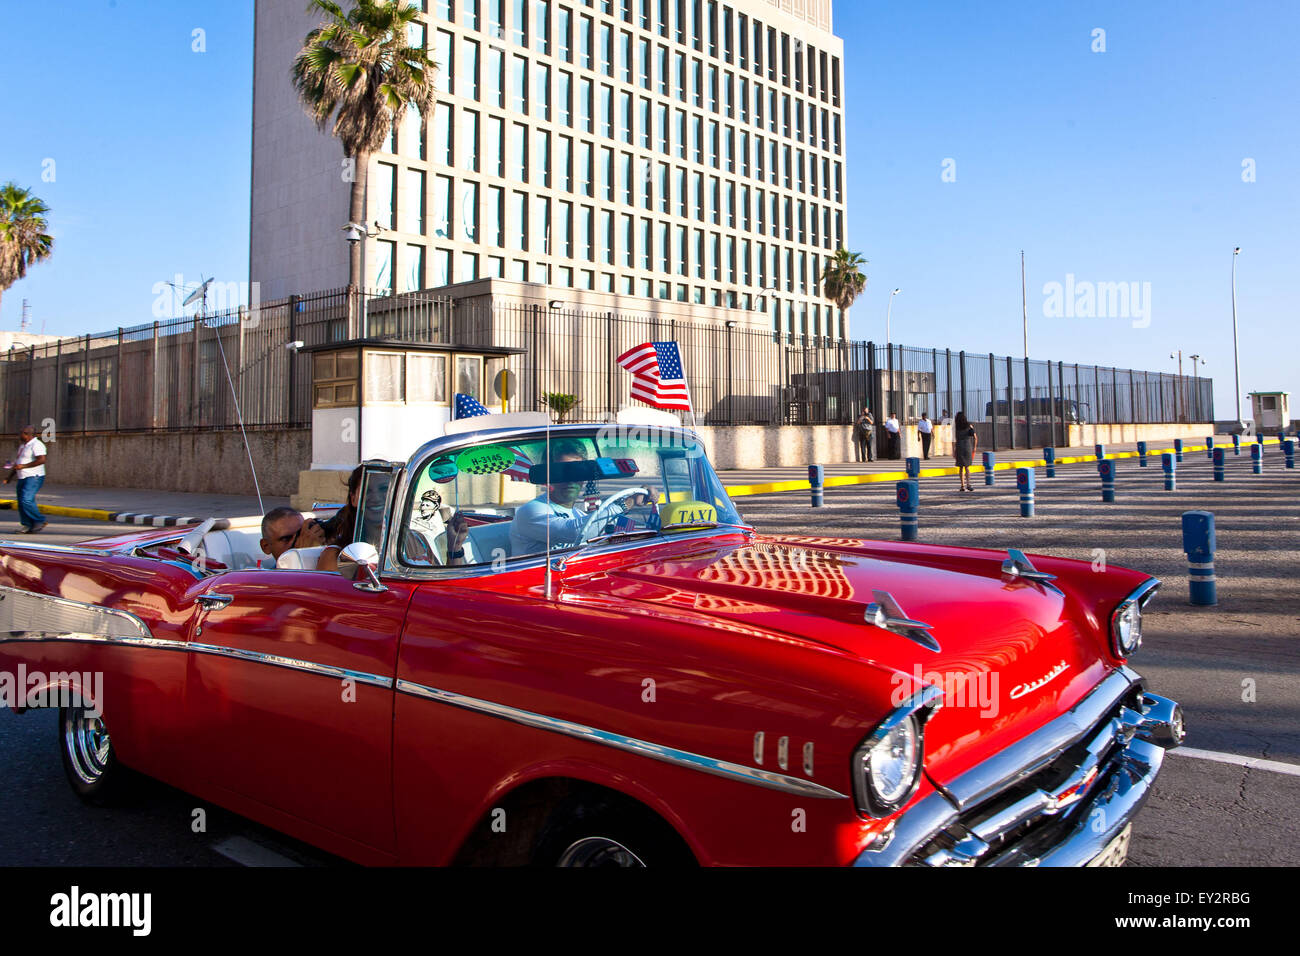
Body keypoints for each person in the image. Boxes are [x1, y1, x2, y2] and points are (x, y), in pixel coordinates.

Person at [3, 425, 48, 533]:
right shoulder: (23, 446)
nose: (19, 435)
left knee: (26, 500)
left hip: (34, 476)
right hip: (22, 477)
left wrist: (24, 466)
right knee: (21, 502)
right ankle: (27, 525)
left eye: (21, 433)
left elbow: (41, 460)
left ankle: (39, 520)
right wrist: (9, 477)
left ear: (28, 434)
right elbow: (18, 464)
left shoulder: (37, 445)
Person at [259, 507, 326, 564]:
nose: (298, 542)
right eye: (286, 539)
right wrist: (303, 554)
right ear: (266, 546)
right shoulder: (265, 578)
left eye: (301, 534)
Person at [953, 411, 978, 492]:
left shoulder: (955, 428)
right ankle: (968, 484)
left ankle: (962, 485)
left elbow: (954, 440)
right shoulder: (969, 426)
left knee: (960, 467)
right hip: (967, 447)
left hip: (959, 447)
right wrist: (974, 447)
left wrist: (954, 450)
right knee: (967, 467)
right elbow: (975, 437)